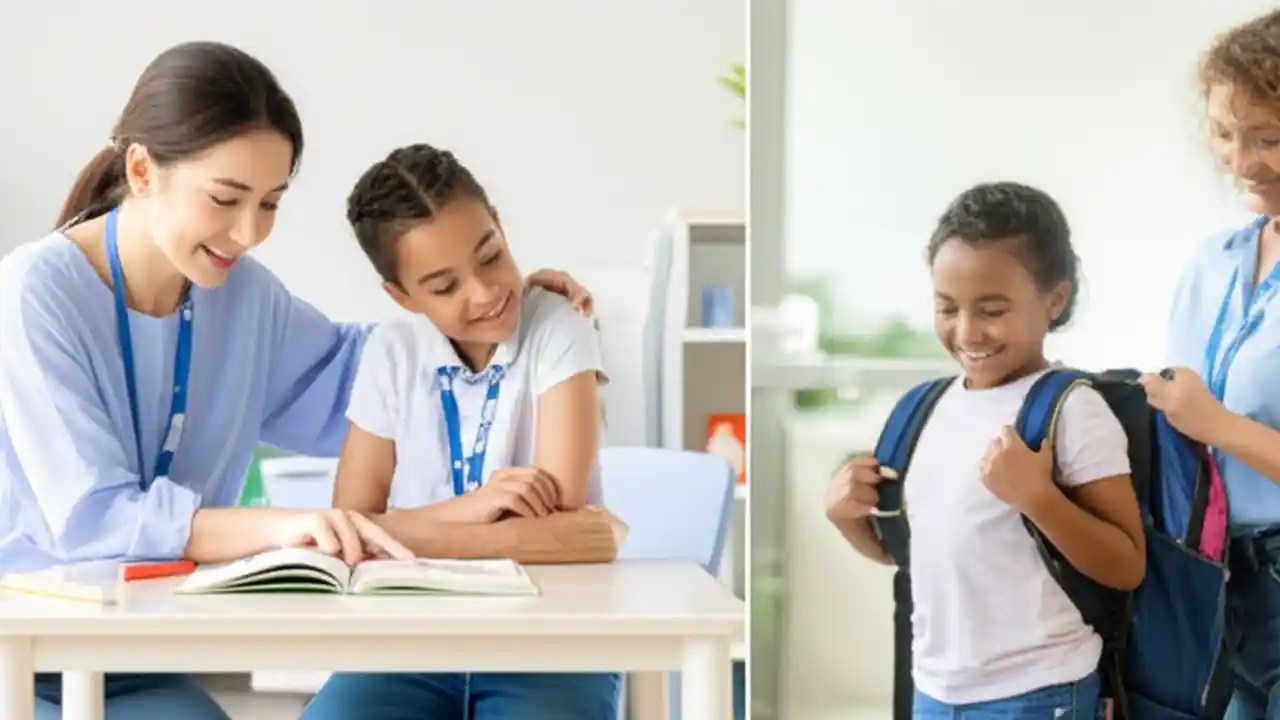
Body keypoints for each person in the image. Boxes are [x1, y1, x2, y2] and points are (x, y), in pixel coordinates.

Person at [0, 41, 595, 718]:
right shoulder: (33, 292)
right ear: (142, 169)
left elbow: (370, 378)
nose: (249, 233)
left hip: (141, 653)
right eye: (226, 199)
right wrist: (288, 527)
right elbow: (93, 519)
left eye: (270, 202)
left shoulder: (241, 295)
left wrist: (500, 308)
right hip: (32, 653)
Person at [297, 142, 619, 719]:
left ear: (499, 225)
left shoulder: (559, 326)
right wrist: (477, 508)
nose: (486, 292)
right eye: (445, 287)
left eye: (491, 256)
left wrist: (397, 537)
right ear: (402, 296)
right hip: (409, 641)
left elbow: (562, 507)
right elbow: (350, 521)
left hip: (549, 639)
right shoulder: (390, 354)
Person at [824, 183, 1145, 719]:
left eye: (992, 309)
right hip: (933, 690)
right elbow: (914, 554)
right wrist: (845, 518)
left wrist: (1038, 497)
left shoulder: (1072, 410)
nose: (968, 331)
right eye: (947, 307)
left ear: (1055, 300)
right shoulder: (925, 409)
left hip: (1039, 693)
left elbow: (1125, 564)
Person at [1138, 10, 1280, 719]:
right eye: (1226, 135)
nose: (1242, 162)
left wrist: (1216, 423)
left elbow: (1209, 419)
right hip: (1216, 586)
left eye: (1269, 138)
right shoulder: (1212, 262)